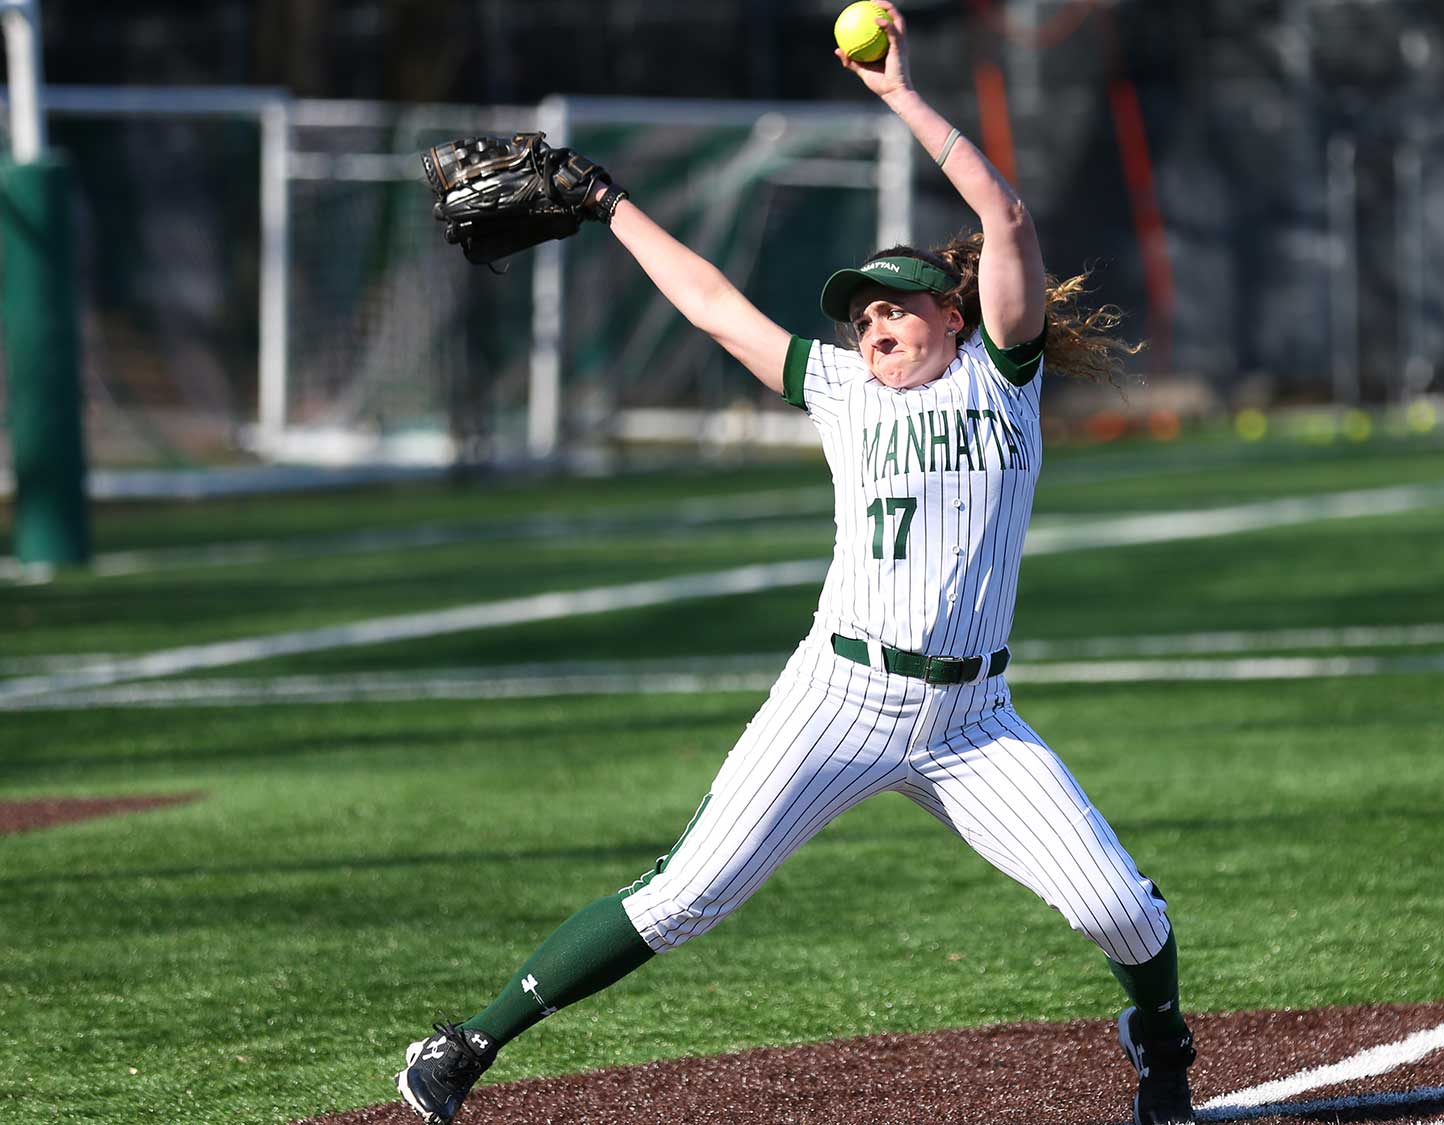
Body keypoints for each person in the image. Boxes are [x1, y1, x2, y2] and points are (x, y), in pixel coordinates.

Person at [394, 6, 1195, 1124]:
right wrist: (607, 203)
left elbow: (1002, 214)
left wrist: (900, 96)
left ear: (952, 318)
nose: (872, 322)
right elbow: (716, 308)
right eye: (860, 311)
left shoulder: (999, 383)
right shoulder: (838, 392)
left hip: (973, 721)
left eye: (896, 304)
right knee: (686, 895)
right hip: (837, 695)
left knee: (1119, 909)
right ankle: (468, 1043)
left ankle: (1160, 1049)